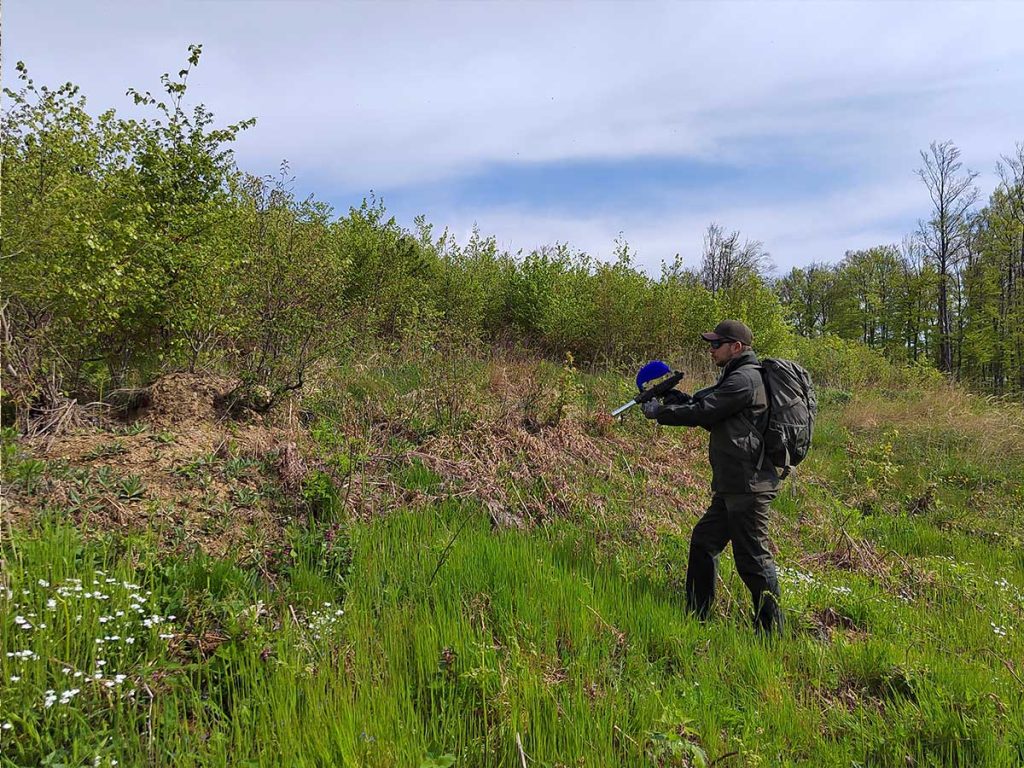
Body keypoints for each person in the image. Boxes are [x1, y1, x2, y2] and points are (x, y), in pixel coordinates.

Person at [641, 319, 783, 634]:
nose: (711, 349)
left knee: (754, 561)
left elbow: (706, 411)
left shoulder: (744, 379)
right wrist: (677, 400)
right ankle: (697, 615)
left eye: (717, 344)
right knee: (704, 542)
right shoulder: (735, 376)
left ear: (736, 347)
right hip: (734, 484)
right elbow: (709, 409)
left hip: (748, 486)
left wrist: (661, 413)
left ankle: (772, 633)